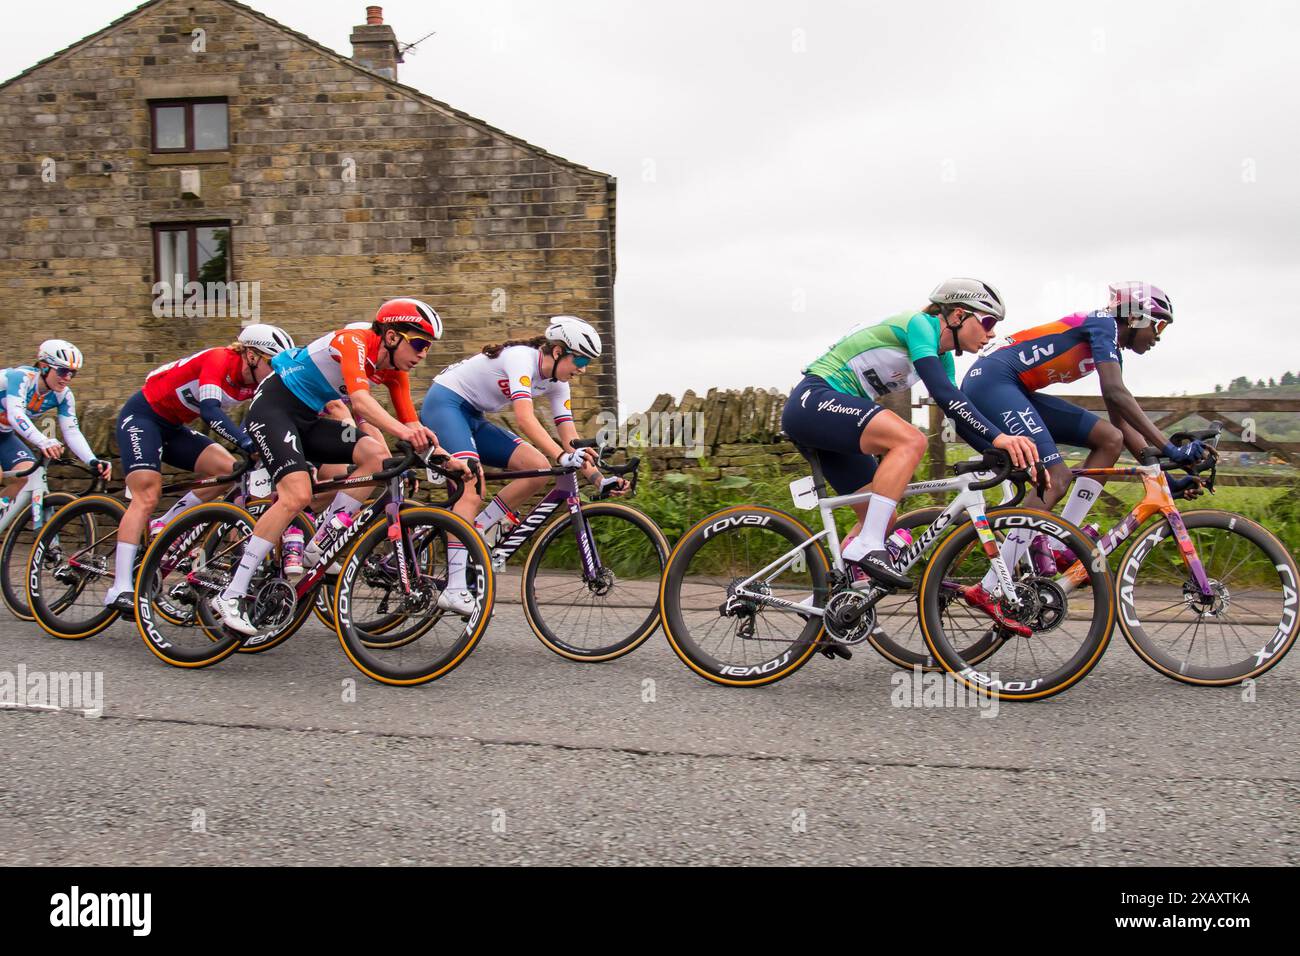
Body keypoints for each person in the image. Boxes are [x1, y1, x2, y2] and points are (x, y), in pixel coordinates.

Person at [210, 298, 467, 636]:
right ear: (392, 336)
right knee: (296, 495)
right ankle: (231, 594)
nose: (423, 354)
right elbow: (361, 401)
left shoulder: (395, 373)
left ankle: (321, 542)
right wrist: (406, 433)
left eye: (428, 347)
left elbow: (412, 425)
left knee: (375, 455)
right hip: (274, 409)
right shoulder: (353, 341)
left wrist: (447, 458)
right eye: (419, 344)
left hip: (308, 418)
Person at [960, 281, 1206, 612]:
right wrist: (1170, 448)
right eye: (1158, 325)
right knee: (1056, 478)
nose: (1158, 337)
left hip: (1011, 388)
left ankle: (1060, 540)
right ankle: (989, 586)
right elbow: (1116, 392)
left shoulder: (1109, 344)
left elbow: (1121, 426)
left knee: (1109, 439)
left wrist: (1164, 476)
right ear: (1136, 317)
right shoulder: (1103, 324)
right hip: (991, 385)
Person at [781, 279, 1040, 589]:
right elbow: (945, 394)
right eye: (987, 322)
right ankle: (868, 547)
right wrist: (1000, 437)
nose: (992, 333)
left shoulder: (941, 356)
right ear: (958, 315)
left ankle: (831, 603)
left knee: (882, 519)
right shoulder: (920, 325)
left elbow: (956, 410)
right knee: (910, 439)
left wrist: (1000, 454)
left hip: (834, 419)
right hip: (814, 400)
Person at [419, 315, 627, 615]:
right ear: (558, 352)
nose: (582, 370)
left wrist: (598, 478)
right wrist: (561, 457)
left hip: (473, 416)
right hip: (445, 405)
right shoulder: (521, 359)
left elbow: (571, 441)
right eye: (581, 361)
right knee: (471, 485)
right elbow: (525, 418)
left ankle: (478, 529)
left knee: (537, 468)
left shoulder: (558, 384)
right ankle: (454, 589)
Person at [103, 325, 294, 610]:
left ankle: (164, 525)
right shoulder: (219, 360)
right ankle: (120, 588)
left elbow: (259, 416)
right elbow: (210, 411)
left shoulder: (259, 382)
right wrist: (245, 442)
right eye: (273, 363)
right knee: (147, 495)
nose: (276, 371)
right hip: (143, 418)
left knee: (230, 471)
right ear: (252, 356)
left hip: (174, 428)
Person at [0, 339, 110, 503]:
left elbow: (72, 432)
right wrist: (43, 441)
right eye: (63, 371)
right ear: (44, 367)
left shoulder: (63, 395)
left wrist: (92, 460)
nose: (67, 378)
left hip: (3, 435)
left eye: (72, 373)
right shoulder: (20, 377)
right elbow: (15, 414)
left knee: (29, 477)